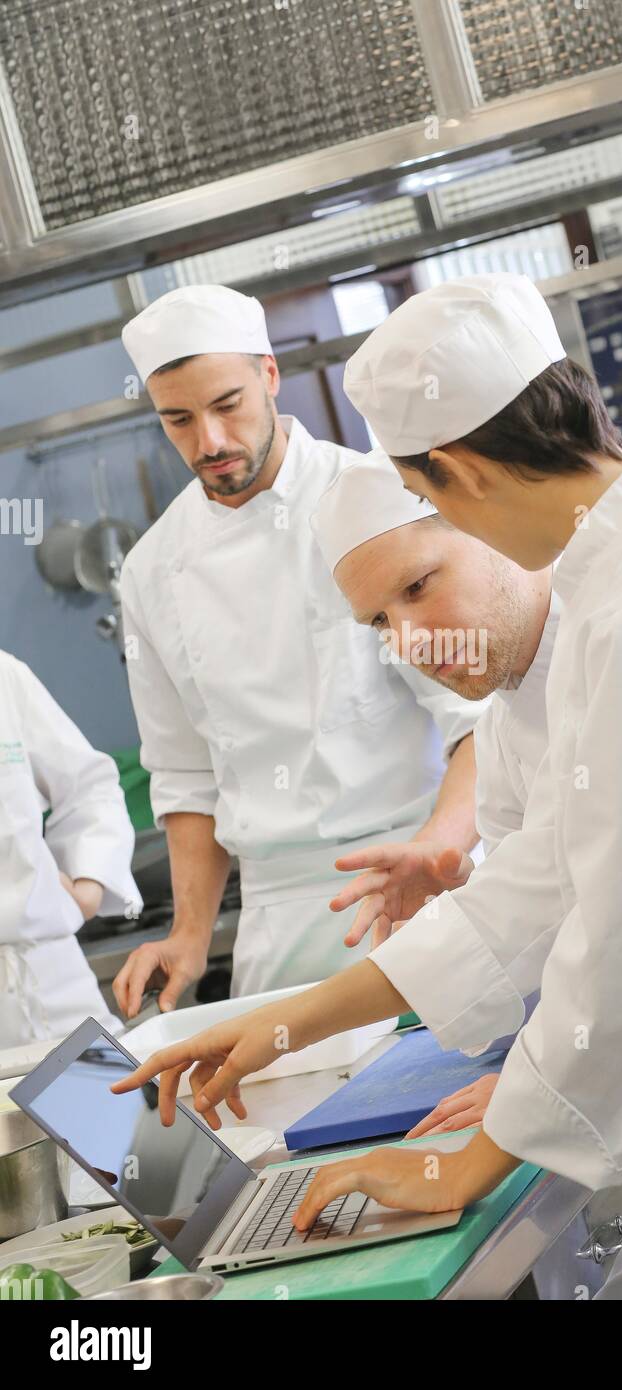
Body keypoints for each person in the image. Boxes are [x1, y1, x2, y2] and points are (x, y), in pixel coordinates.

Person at [114, 273, 622, 1301]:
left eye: (419, 576)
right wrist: (294, 1022)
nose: (416, 644)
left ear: (454, 476)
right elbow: (547, 878)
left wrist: (477, 1152)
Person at [114, 285, 484, 1016]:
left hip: (418, 873)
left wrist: (438, 851)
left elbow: (479, 713)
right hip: (277, 914)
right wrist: (190, 935)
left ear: (270, 376)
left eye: (227, 405)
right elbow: (187, 776)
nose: (209, 442)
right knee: (291, 1119)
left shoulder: (380, 500)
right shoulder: (152, 570)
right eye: (179, 420)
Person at [311, 452, 556, 1131]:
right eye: (381, 624)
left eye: (417, 587)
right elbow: (546, 923)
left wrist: (549, 1080)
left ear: (488, 521)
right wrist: (469, 893)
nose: (410, 642)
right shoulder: (510, 720)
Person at [0, 649, 141, 1046]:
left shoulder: (5, 676)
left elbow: (88, 787)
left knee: (117, 1105)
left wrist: (90, 882)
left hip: (53, 977)